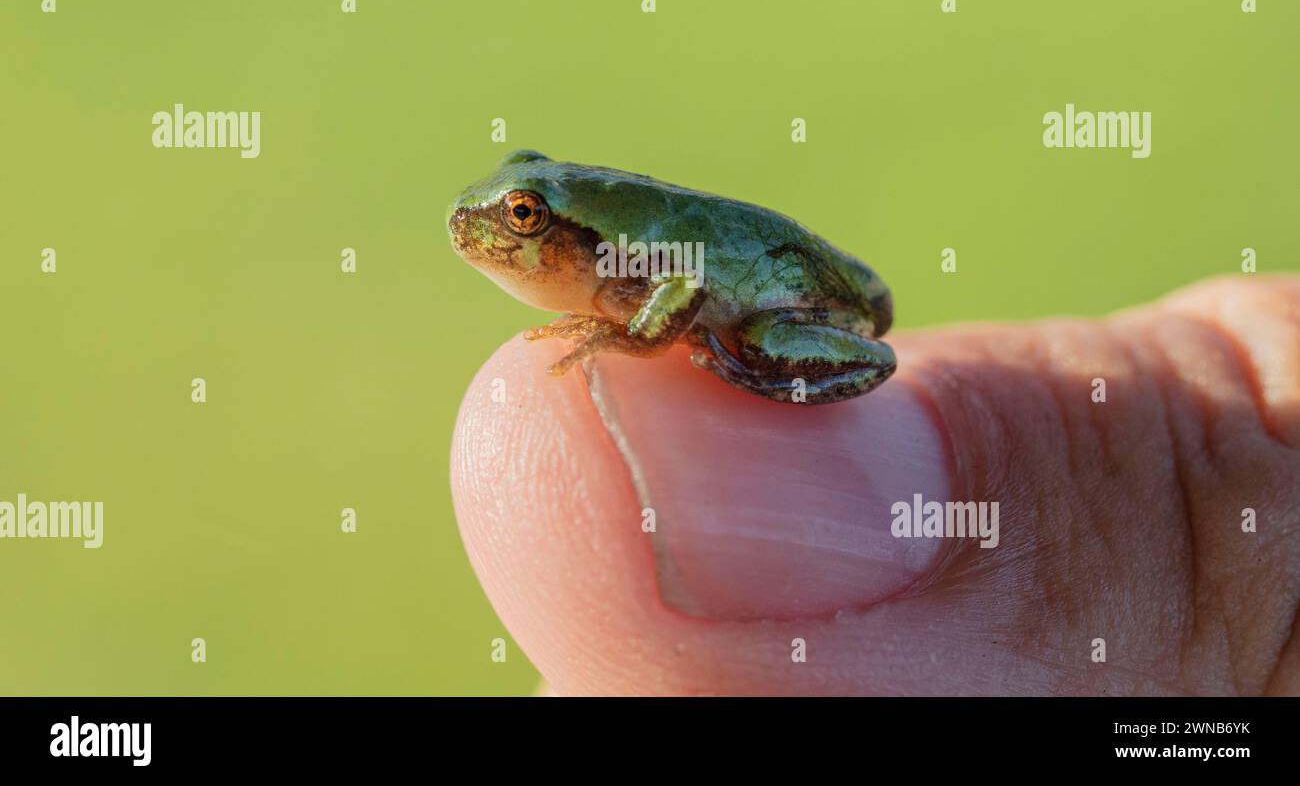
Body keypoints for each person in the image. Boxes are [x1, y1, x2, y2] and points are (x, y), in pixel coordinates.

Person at [451, 275, 1300, 695]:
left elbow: (684, 286)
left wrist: (633, 345)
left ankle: (762, 373)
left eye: (526, 218)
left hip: (803, 310)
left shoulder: (635, 258)